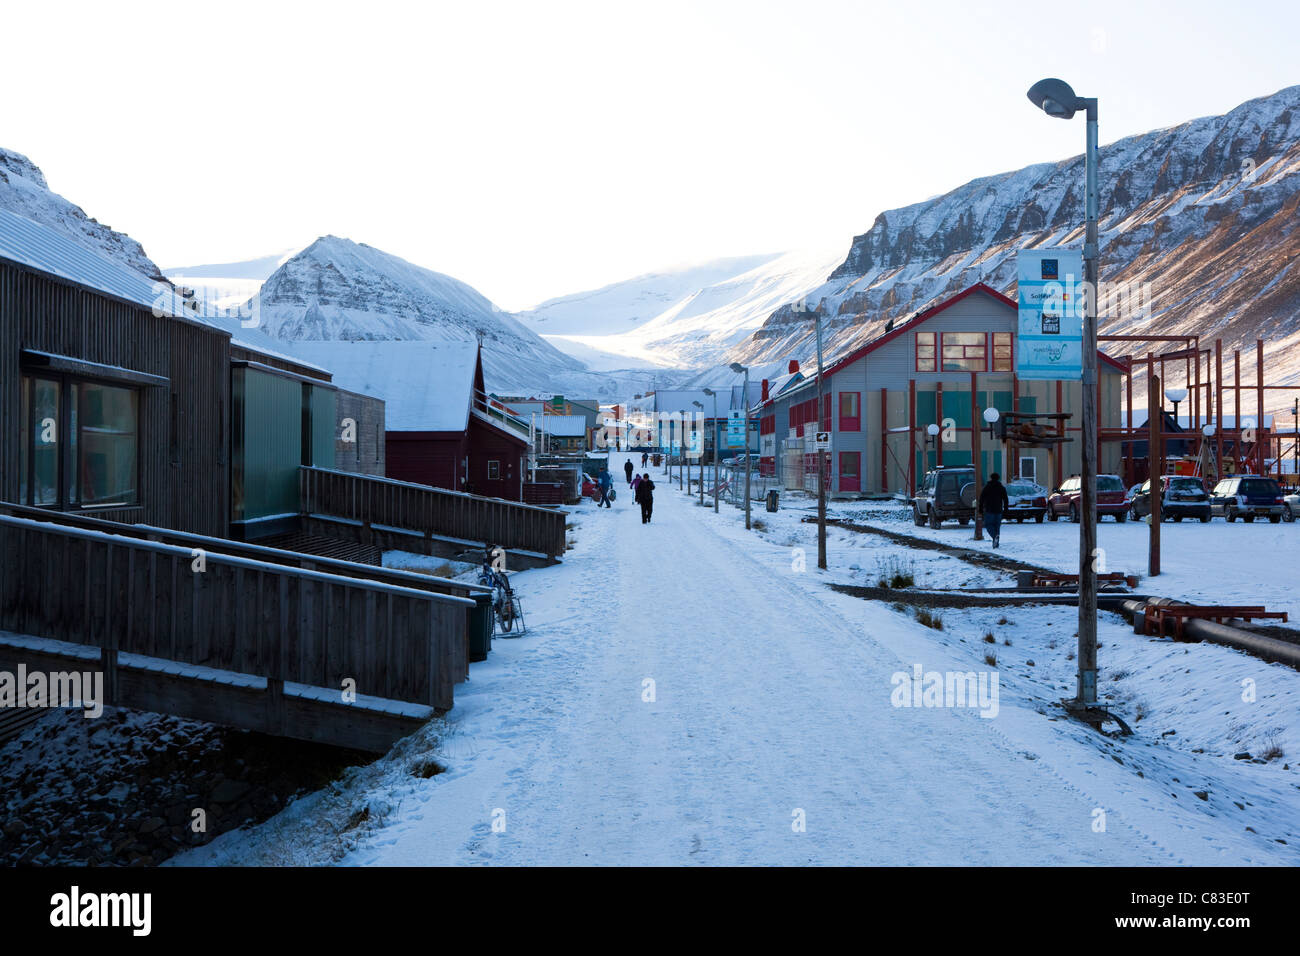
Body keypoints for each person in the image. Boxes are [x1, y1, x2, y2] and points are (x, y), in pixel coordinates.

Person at [978, 473, 1010, 548]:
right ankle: (996, 543)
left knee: (988, 525)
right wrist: (1006, 509)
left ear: (991, 478)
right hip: (998, 510)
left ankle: (994, 537)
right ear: (998, 478)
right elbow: (1005, 499)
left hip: (989, 510)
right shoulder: (1001, 488)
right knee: (997, 526)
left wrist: (980, 508)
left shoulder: (987, 487)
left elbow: (981, 498)